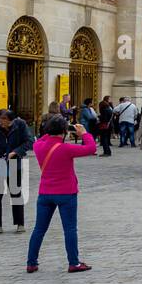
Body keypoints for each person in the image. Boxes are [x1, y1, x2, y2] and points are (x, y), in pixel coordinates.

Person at [25, 115, 95, 272]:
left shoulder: (38, 146)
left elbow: (44, 138)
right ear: (64, 131)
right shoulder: (66, 148)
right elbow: (91, 148)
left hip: (45, 193)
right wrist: (84, 133)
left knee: (39, 229)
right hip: (66, 192)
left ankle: (31, 262)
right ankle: (74, 263)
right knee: (69, 229)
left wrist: (52, 127)